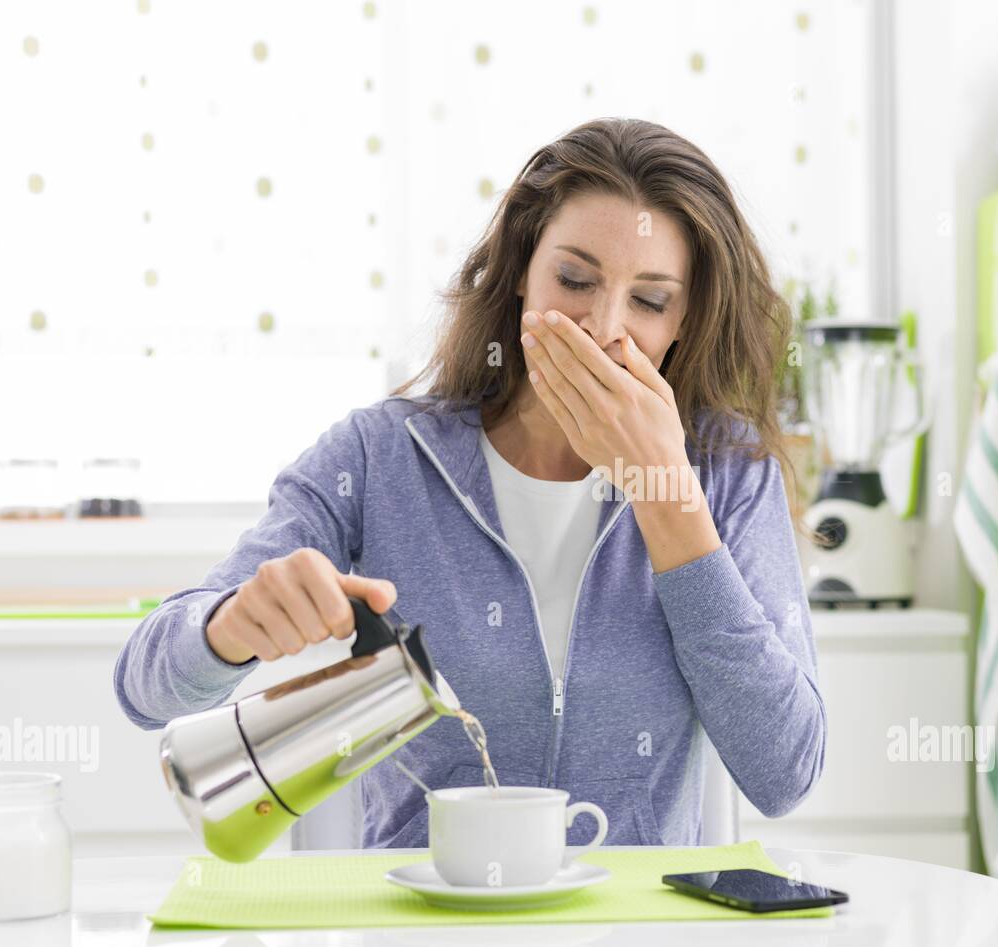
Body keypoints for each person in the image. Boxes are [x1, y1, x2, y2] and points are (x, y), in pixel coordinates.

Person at [114, 117, 826, 850]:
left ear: (684, 319)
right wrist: (230, 626)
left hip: (637, 939)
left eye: (649, 301)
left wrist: (666, 491)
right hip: (422, 943)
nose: (601, 327)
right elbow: (144, 687)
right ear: (522, 268)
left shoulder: (728, 474)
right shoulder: (382, 455)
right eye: (574, 280)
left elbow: (786, 772)